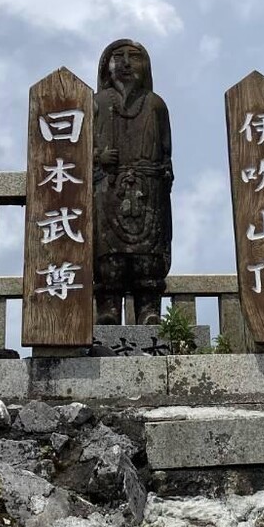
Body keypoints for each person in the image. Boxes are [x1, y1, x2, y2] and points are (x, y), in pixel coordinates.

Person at [93, 38, 173, 324]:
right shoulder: (97, 104)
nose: (126, 63)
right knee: (108, 258)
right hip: (108, 188)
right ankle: (108, 310)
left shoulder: (155, 105)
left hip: (148, 190)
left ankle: (148, 310)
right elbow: (77, 153)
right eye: (119, 57)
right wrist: (98, 157)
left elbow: (166, 155)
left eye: (134, 57)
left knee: (148, 258)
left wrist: (161, 176)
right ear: (107, 66)